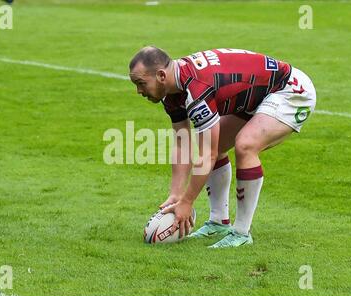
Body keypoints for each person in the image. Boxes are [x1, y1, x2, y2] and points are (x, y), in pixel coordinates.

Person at [129, 47, 316, 248]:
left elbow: (205, 155)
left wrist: (187, 201)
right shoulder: (172, 91)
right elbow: (182, 143)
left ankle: (242, 233)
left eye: (141, 83)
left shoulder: (197, 90)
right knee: (216, 144)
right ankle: (219, 222)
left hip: (290, 91)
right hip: (255, 95)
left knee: (245, 145)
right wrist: (176, 194)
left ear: (161, 75)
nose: (139, 91)